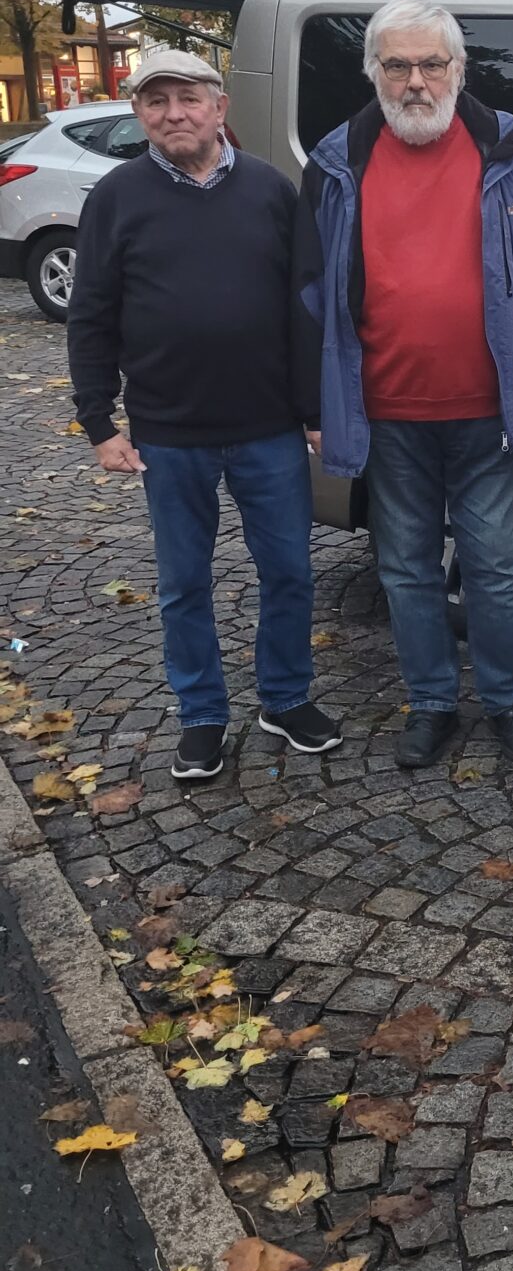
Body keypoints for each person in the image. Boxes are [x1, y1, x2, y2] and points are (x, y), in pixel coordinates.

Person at [296, 0, 513, 769]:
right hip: (385, 413)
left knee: (497, 566)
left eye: (432, 64)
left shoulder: (512, 149)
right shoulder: (336, 160)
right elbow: (306, 294)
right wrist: (314, 405)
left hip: (489, 408)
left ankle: (506, 700)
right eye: (399, 65)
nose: (417, 81)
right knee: (405, 569)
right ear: (375, 73)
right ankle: (430, 703)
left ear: (458, 69)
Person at [68, 48, 340, 782]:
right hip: (169, 433)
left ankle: (284, 699)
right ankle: (202, 715)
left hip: (268, 429)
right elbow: (90, 315)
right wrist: (99, 422)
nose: (174, 113)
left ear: (220, 107)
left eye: (188, 98)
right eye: (156, 102)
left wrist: (315, 409)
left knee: (288, 573)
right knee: (183, 582)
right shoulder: (116, 197)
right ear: (139, 116)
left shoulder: (270, 191)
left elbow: (304, 307)